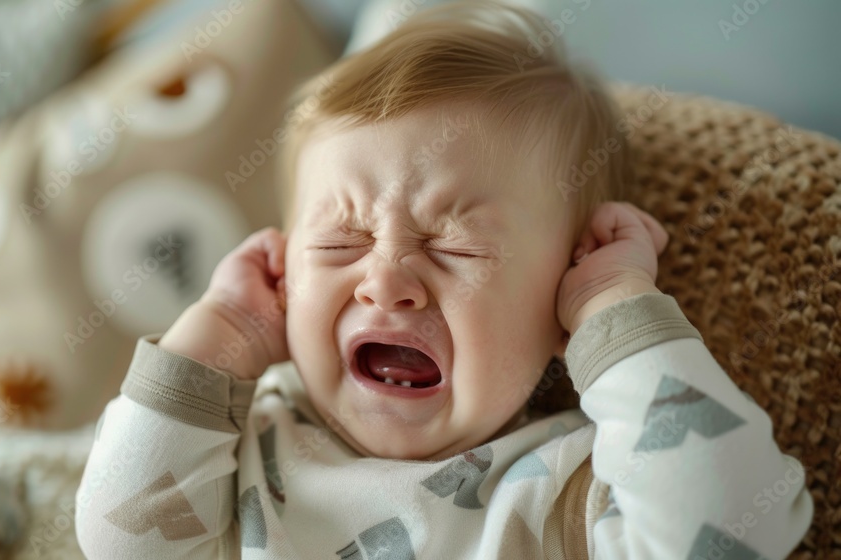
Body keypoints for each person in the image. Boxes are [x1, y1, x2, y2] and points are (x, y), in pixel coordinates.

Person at [75, 2, 813, 557]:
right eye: (342, 240)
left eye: (456, 246)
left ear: (564, 288)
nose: (387, 281)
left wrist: (615, 311)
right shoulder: (243, 441)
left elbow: (727, 531)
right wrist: (222, 336)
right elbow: (119, 538)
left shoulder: (562, 488)